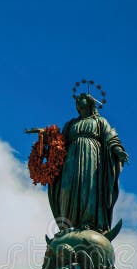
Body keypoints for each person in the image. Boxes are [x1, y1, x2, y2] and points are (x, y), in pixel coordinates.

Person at [48, 92, 129, 233]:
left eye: (82, 99)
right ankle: (68, 223)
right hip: (71, 158)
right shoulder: (71, 124)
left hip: (92, 156)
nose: (78, 102)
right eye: (77, 100)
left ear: (90, 102)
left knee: (88, 186)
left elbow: (110, 137)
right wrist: (46, 135)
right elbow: (59, 143)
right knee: (66, 187)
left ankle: (89, 222)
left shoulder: (99, 121)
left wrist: (118, 150)